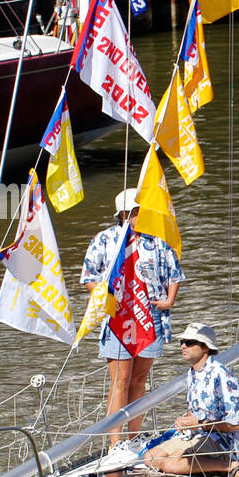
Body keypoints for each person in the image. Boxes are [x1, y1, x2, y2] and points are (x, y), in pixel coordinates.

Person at [82, 188, 184, 446]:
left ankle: (134, 437)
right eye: (136, 212)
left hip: (150, 315)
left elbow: (175, 274)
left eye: (141, 211)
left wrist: (169, 300)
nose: (140, 216)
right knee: (121, 380)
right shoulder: (105, 240)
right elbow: (88, 277)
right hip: (119, 316)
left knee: (139, 380)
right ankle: (115, 443)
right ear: (123, 214)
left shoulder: (157, 241)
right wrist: (109, 298)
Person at [143, 323, 239, 477]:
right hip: (197, 434)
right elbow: (194, 411)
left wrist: (200, 424)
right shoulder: (192, 373)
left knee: (171, 464)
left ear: (205, 347)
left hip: (222, 441)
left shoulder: (222, 375)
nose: (183, 346)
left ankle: (231, 465)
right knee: (150, 457)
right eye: (182, 342)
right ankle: (205, 468)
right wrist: (185, 421)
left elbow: (238, 423)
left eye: (190, 342)